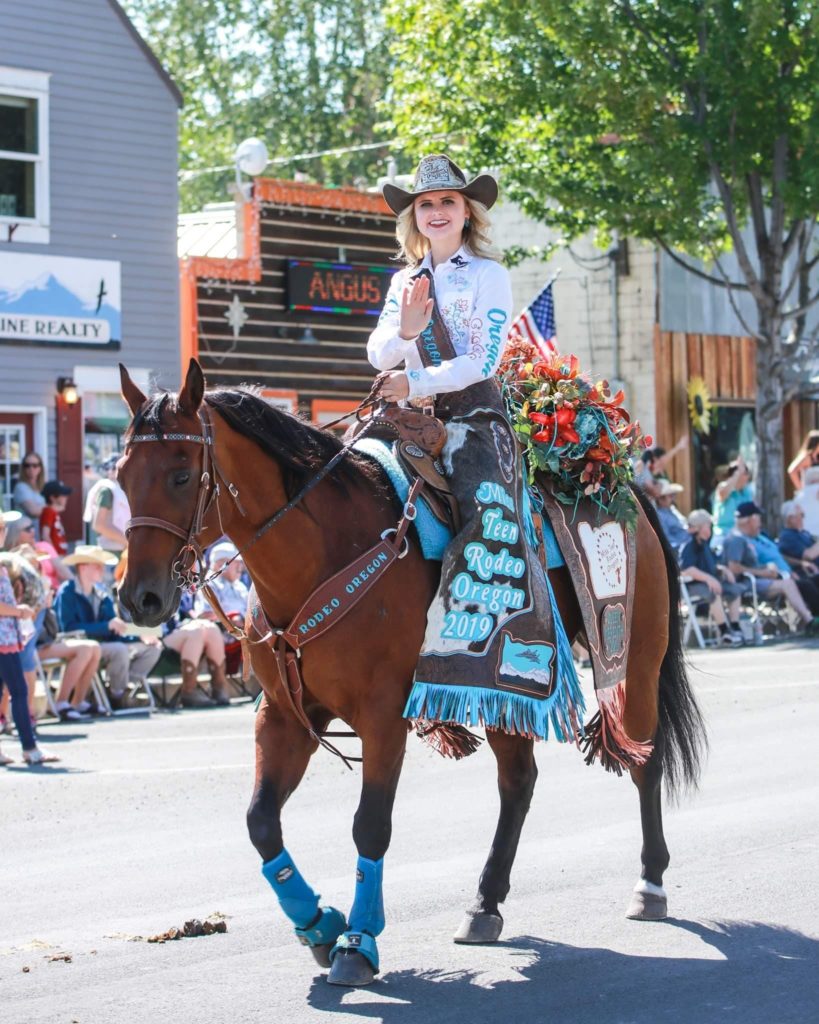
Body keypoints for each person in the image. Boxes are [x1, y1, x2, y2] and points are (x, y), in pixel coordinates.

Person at [367, 153, 567, 701]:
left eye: (446, 202)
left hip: (475, 419)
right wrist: (407, 332)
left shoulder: (488, 275)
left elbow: (483, 359)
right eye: (425, 204)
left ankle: (496, 650)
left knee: (488, 521)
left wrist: (416, 381)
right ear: (415, 217)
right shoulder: (405, 281)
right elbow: (378, 351)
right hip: (405, 419)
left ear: (466, 212)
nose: (436, 211)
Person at [115, 552, 230, 709]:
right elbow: (122, 627)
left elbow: (177, 618)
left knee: (210, 628)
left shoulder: (162, 586)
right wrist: (146, 633)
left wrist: (195, 617)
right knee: (196, 631)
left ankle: (219, 687)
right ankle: (189, 691)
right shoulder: (125, 592)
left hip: (174, 637)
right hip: (155, 641)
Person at [54, 545, 161, 710]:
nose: (102, 569)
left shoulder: (101, 593)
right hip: (81, 645)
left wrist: (139, 635)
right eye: (97, 565)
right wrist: (106, 626)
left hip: (106, 644)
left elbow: (115, 627)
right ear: (82, 567)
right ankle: (117, 694)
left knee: (153, 647)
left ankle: (124, 689)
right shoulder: (66, 592)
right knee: (119, 650)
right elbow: (68, 627)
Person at [0, 513, 58, 765]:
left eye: (2, 528)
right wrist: (19, 611)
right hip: (3, 639)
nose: (2, 532)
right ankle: (29, 747)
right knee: (20, 691)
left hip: (8, 637)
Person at [722, 502, 819, 633]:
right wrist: (763, 572)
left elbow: (779, 555)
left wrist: (798, 564)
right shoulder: (737, 539)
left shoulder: (761, 536)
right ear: (750, 520)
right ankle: (810, 621)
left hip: (780, 574)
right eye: (758, 518)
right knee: (798, 584)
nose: (760, 523)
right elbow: (734, 568)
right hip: (753, 582)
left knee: (814, 580)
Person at [679, 509, 745, 646]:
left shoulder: (704, 544)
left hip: (708, 583)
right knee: (713, 592)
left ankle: (735, 626)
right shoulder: (689, 544)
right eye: (708, 526)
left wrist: (724, 569)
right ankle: (724, 631)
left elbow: (713, 564)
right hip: (692, 586)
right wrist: (709, 579)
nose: (710, 529)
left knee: (734, 590)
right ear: (699, 527)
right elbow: (687, 569)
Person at [83, 454, 129, 552]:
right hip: (110, 552)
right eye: (113, 468)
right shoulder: (107, 490)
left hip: (125, 550)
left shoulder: (123, 490)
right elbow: (99, 525)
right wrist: (130, 543)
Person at [634, 437, 688, 501]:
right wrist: (678, 447)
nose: (662, 463)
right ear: (654, 459)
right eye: (660, 462)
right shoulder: (647, 470)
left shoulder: (662, 472)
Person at [712, 457, 754, 539]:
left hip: (743, 535)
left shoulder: (747, 492)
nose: (747, 477)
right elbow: (723, 493)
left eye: (745, 473)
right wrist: (737, 473)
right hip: (724, 534)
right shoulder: (723, 487)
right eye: (732, 472)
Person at [778, 500, 819, 576]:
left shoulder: (802, 532)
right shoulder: (787, 536)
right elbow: (809, 555)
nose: (803, 518)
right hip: (811, 574)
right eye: (801, 515)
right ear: (790, 519)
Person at [39, 480, 73, 557]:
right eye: (63, 495)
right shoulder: (48, 511)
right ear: (53, 498)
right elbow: (45, 535)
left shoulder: (53, 512)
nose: (66, 498)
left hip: (60, 555)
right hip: (55, 557)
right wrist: (53, 555)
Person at [655, 479, 690, 551]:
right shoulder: (660, 515)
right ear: (660, 499)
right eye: (671, 496)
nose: (673, 498)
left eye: (674, 495)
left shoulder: (672, 509)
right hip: (679, 549)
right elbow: (667, 540)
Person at [12, 451, 46, 522]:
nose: (31, 468)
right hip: (27, 531)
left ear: (40, 467)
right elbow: (33, 511)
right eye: (27, 465)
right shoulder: (21, 487)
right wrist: (54, 507)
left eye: (35, 465)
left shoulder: (43, 486)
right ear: (23, 468)